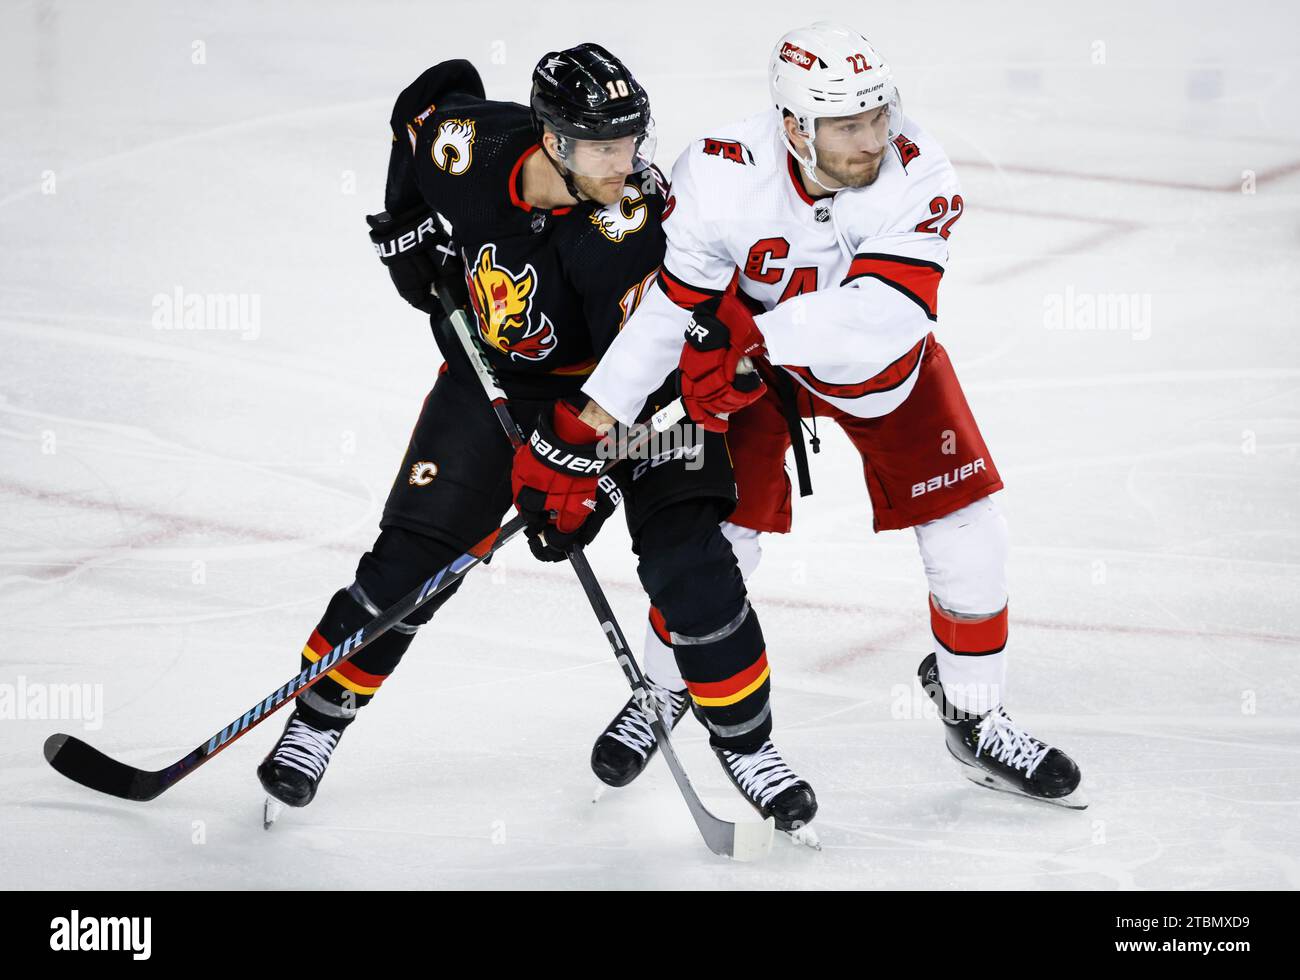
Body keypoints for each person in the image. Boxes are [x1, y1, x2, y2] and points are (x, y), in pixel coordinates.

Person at [257, 44, 816, 831]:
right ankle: (315, 721)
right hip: (498, 381)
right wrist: (405, 229)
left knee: (689, 558)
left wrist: (577, 470)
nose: (627, 162)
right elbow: (425, 109)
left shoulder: (630, 226)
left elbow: (638, 366)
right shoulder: (474, 146)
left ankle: (750, 747)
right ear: (550, 138)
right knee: (414, 559)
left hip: (636, 397)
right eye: (603, 145)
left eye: (632, 138)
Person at [526, 22, 1084, 808]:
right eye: (847, 126)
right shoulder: (721, 171)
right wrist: (591, 422)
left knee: (970, 529)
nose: (872, 140)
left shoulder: (920, 171)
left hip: (875, 369)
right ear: (793, 125)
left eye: (878, 116)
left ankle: (975, 711)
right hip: (750, 377)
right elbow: (665, 311)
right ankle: (666, 689)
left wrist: (754, 336)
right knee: (721, 543)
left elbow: (890, 310)